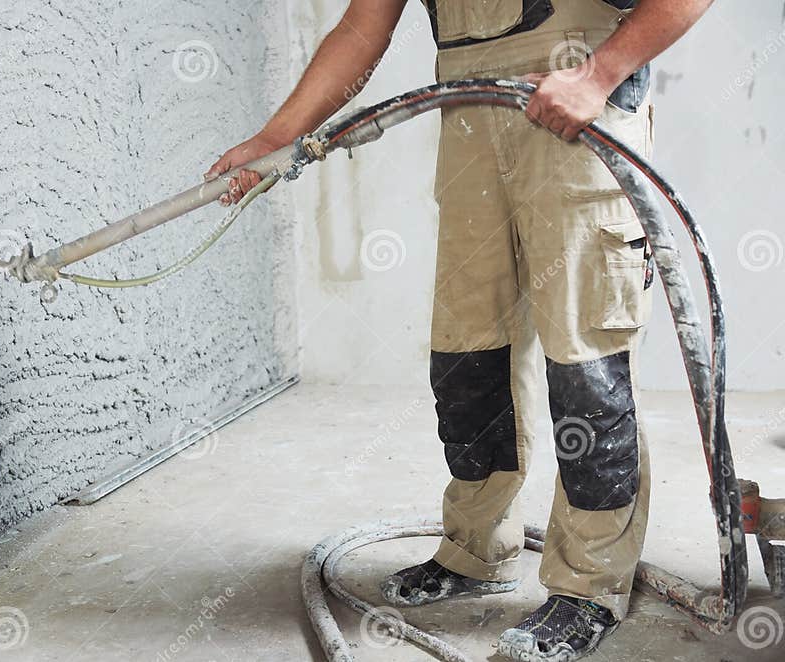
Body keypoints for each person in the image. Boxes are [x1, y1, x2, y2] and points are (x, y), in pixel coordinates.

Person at [207, 1, 714, 659]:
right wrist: (277, 137)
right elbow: (364, 26)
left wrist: (599, 74)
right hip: (469, 118)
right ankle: (479, 548)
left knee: (585, 367)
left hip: (581, 110)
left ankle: (590, 586)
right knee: (469, 356)